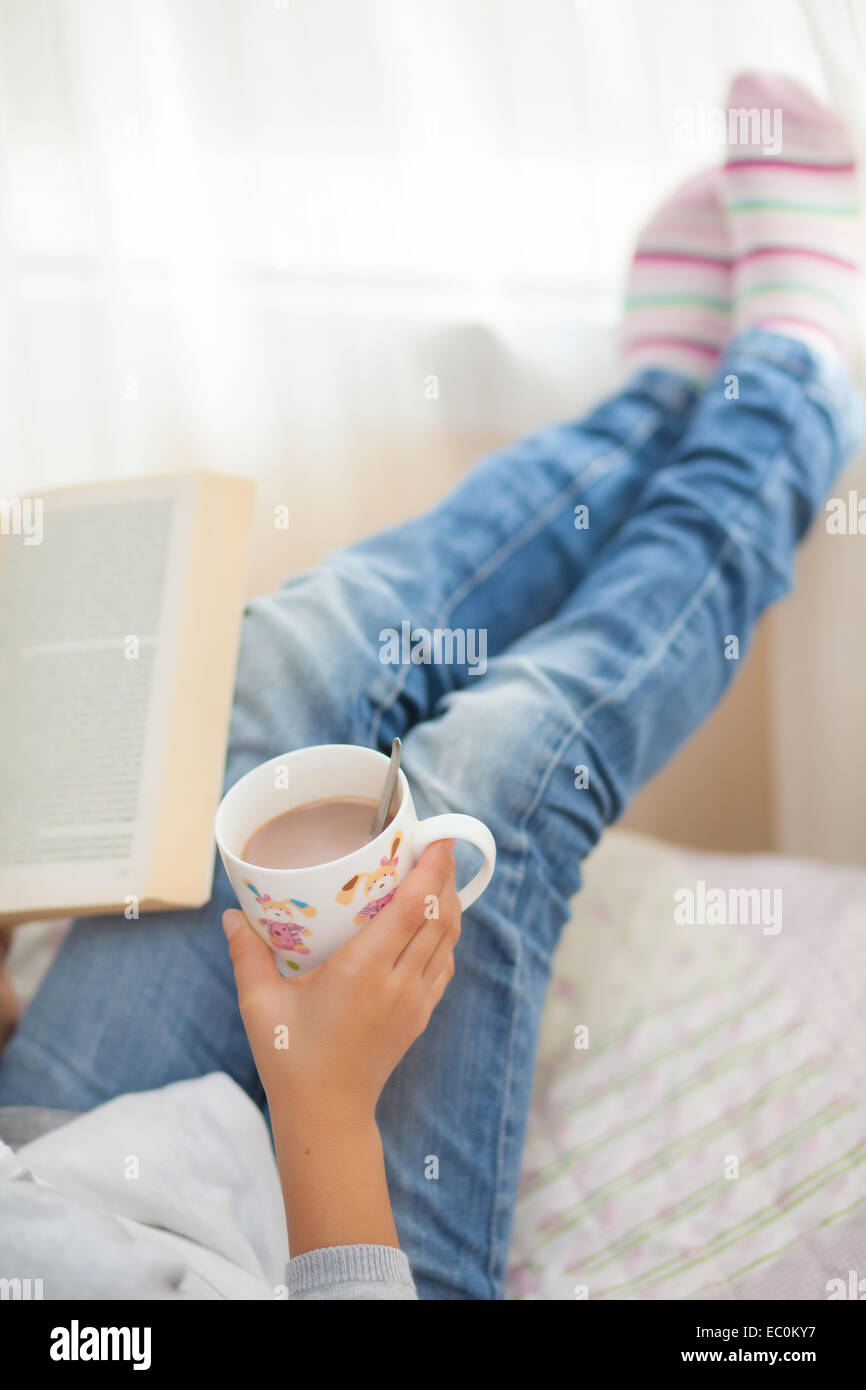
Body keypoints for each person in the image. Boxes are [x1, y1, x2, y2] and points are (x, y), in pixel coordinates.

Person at [0, 72, 862, 1300]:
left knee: (287, 659)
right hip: (318, 1265)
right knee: (481, 790)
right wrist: (327, 1110)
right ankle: (786, 393)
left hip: (46, 1156)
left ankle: (658, 404)